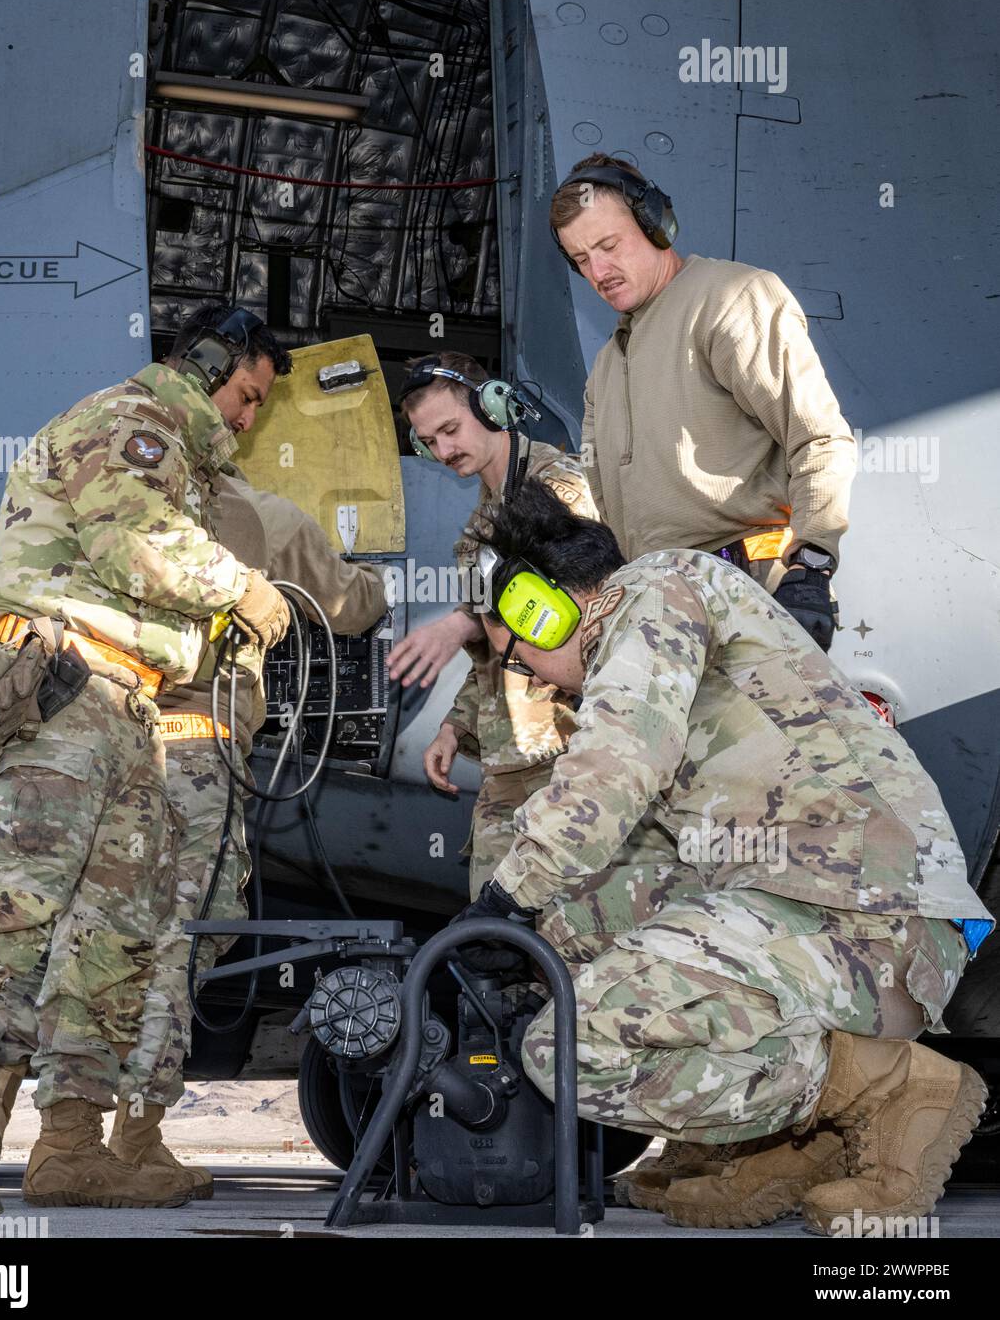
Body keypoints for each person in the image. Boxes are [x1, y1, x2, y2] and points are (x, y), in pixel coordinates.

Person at [454, 477, 993, 1233]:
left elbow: (615, 768)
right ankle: (771, 1136)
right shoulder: (663, 618)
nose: (529, 679)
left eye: (517, 660)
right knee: (562, 931)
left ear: (540, 614)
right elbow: (622, 850)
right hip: (812, 906)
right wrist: (526, 925)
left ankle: (887, 1088)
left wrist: (502, 901)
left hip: (873, 923)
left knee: (567, 1046)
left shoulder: (656, 589)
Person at [0, 306, 291, 1209]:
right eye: (247, 395)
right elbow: (129, 537)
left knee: (119, 931)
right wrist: (243, 588)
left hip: (127, 704)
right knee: (17, 897)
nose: (247, 419)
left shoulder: (177, 454)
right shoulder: (129, 426)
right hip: (65, 686)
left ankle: (72, 1144)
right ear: (209, 365)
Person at [0, 372, 389, 1199]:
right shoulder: (262, 517)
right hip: (196, 759)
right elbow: (353, 604)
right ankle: (135, 1136)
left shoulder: (114, 478)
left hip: (101, 729)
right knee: (171, 946)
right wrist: (362, 572)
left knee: (55, 928)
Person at [550, 153, 857, 650]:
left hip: (747, 590)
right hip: (658, 609)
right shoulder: (604, 368)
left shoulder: (731, 299)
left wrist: (812, 563)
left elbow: (819, 438)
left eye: (609, 245)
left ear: (655, 225)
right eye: (582, 260)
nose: (599, 271)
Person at [386, 353, 598, 896]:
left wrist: (459, 623)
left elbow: (574, 607)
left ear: (494, 406)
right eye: (428, 442)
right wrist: (456, 725)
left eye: (450, 430)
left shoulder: (560, 487)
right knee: (496, 921)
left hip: (567, 745)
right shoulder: (484, 517)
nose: (443, 451)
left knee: (565, 919)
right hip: (513, 755)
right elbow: (498, 647)